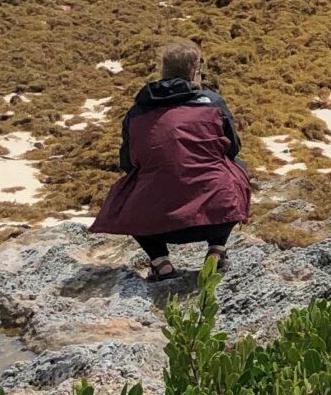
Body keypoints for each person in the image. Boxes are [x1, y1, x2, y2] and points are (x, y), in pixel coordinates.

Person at [89, 40, 251, 280]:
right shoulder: (213, 104)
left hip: (155, 224)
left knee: (128, 188)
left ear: (163, 69)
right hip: (214, 220)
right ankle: (216, 251)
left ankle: (160, 261)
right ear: (195, 70)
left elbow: (128, 162)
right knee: (237, 169)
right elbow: (232, 148)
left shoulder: (138, 111)